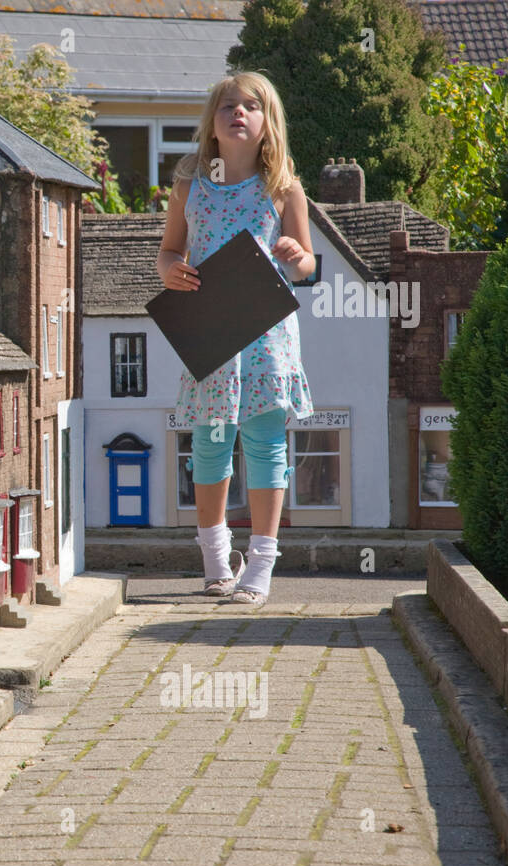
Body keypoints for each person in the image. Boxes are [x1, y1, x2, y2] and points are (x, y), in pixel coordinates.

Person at [157, 71, 316, 608]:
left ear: (268, 123)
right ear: (213, 122)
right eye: (228, 105)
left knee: (267, 445)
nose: (238, 113)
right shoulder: (189, 187)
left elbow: (307, 262)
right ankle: (215, 563)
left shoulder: (284, 187)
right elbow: (169, 253)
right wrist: (171, 270)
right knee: (209, 446)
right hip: (211, 333)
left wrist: (297, 256)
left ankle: (262, 566)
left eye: (251, 106)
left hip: (268, 334)